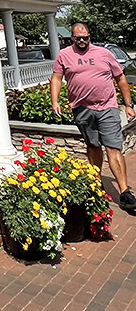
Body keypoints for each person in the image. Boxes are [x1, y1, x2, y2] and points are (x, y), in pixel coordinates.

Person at [51, 21, 136, 214]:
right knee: (93, 145)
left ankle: (124, 192)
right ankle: (97, 186)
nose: (82, 40)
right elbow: (56, 77)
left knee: (113, 147)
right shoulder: (64, 55)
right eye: (78, 38)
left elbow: (120, 78)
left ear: (89, 36)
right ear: (72, 38)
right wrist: (55, 101)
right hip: (82, 109)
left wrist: (128, 105)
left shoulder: (104, 53)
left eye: (85, 37)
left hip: (107, 107)